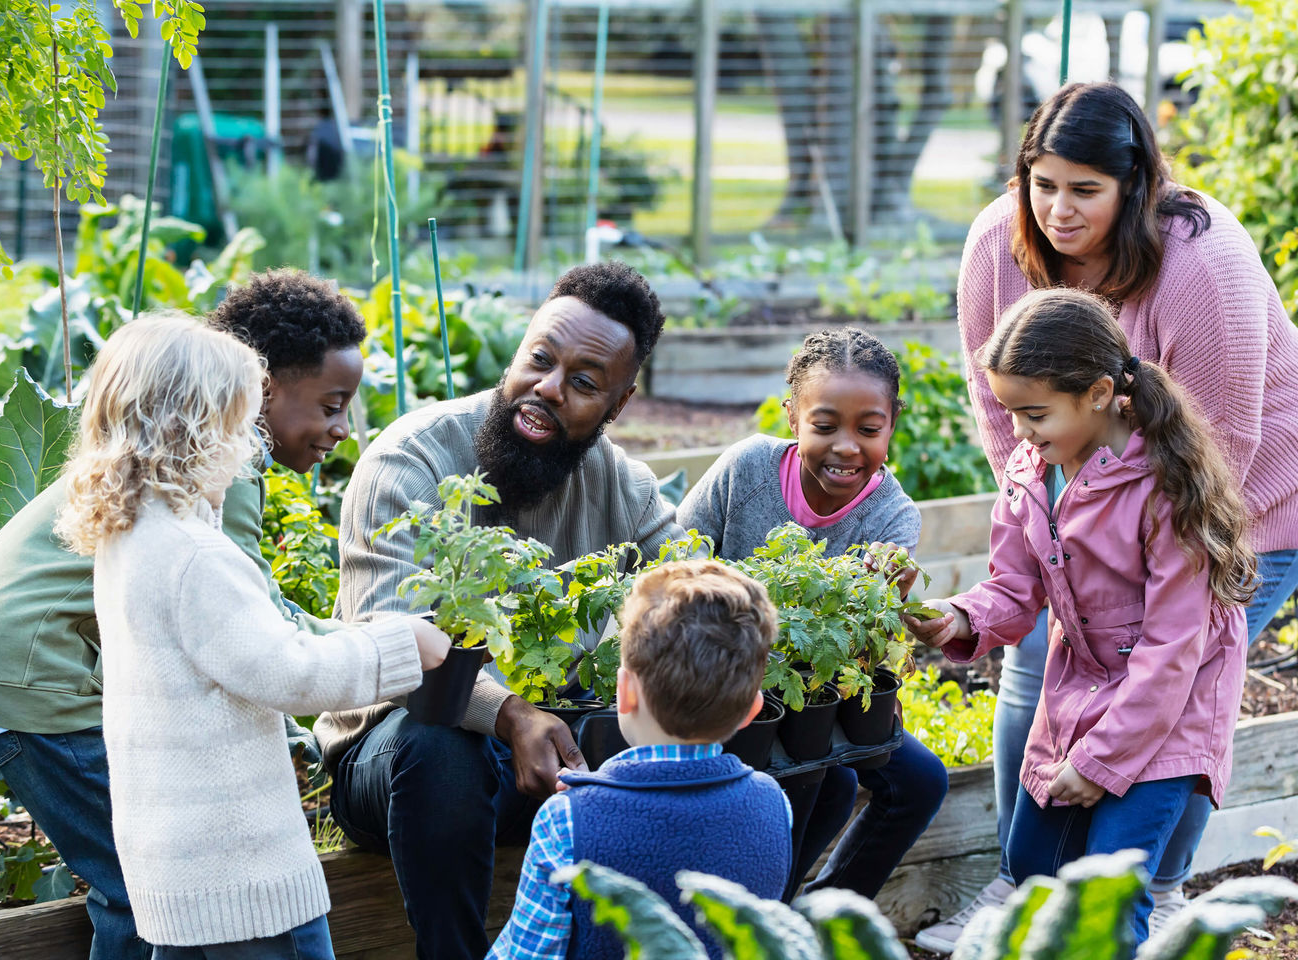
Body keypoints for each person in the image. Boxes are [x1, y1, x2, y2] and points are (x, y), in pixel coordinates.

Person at [919, 81, 1298, 952]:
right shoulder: (998, 245)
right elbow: (998, 408)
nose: (1057, 209)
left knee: (1183, 692)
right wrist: (1050, 525)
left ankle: (1152, 894)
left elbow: (1221, 452)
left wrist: (1122, 541)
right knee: (1033, 675)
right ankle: (1022, 890)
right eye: (1042, 183)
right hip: (1084, 495)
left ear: (1136, 186)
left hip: (1243, 502)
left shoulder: (1202, 264)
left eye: (1084, 189)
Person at [0, 269, 377, 960]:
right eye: (333, 404)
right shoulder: (219, 468)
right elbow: (257, 620)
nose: (341, 429)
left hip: (0, 661)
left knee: (146, 885)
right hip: (26, 670)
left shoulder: (160, 464)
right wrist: (368, 647)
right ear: (264, 390)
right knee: (157, 880)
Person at [313, 260, 683, 960]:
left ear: (619, 403)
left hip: (548, 758)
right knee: (440, 738)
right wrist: (510, 713)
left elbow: (691, 598)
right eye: (539, 360)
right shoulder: (412, 460)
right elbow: (392, 655)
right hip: (390, 762)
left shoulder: (623, 488)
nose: (546, 389)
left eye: (582, 383)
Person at [55, 312, 449, 959]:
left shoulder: (130, 539)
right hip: (244, 876)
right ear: (196, 430)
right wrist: (404, 643)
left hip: (178, 872)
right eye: (241, 427)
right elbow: (288, 672)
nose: (249, 448)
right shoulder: (195, 556)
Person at [908, 288, 1255, 950]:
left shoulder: (1165, 487)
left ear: (1098, 393)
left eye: (1033, 412)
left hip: (1169, 712)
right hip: (1079, 693)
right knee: (1035, 874)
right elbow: (1015, 586)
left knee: (1109, 891)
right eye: (1009, 411)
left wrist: (1099, 762)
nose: (1018, 431)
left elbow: (1173, 650)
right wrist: (956, 618)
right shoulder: (1030, 472)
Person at [677, 327, 948, 901]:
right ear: (792, 417)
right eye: (824, 426)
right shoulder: (746, 471)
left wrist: (886, 603)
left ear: (892, 423)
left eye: (868, 429)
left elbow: (868, 639)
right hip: (721, 681)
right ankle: (761, 914)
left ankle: (819, 912)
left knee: (920, 783)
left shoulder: (893, 515)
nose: (847, 447)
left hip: (819, 691)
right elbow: (673, 564)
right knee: (820, 778)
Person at [486, 559, 791, 960]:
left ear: (624, 691)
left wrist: (580, 810)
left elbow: (526, 954)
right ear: (752, 711)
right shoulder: (775, 803)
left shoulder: (564, 821)